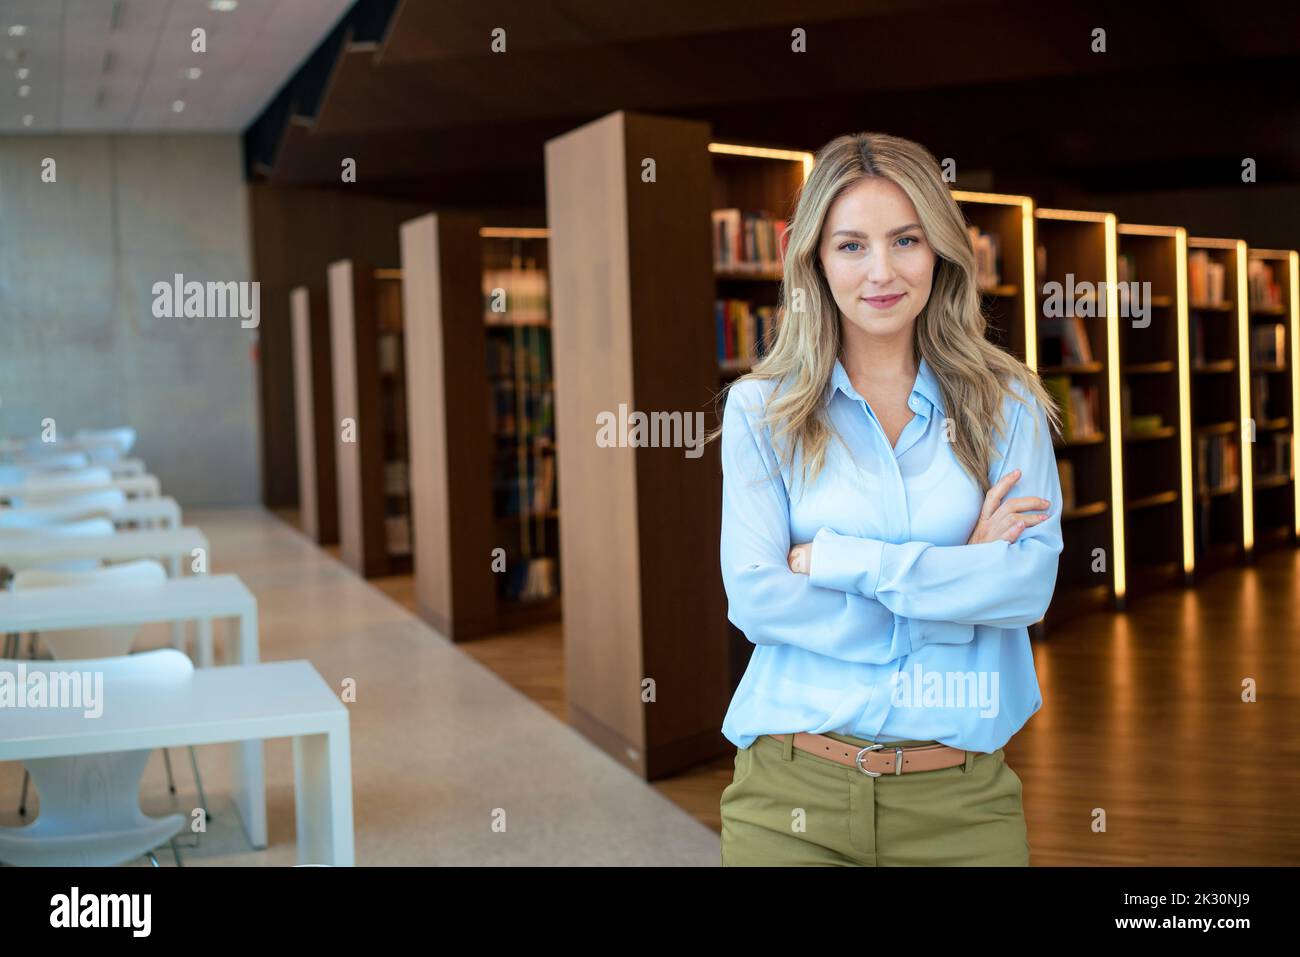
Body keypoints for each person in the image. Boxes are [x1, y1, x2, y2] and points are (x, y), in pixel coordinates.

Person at [712, 132, 1064, 866]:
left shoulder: (1009, 404)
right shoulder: (760, 410)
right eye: (851, 245)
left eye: (905, 239)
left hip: (961, 807)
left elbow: (1026, 586)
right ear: (814, 259)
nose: (882, 271)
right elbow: (757, 599)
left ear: (940, 249)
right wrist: (959, 575)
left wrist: (840, 560)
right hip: (790, 796)